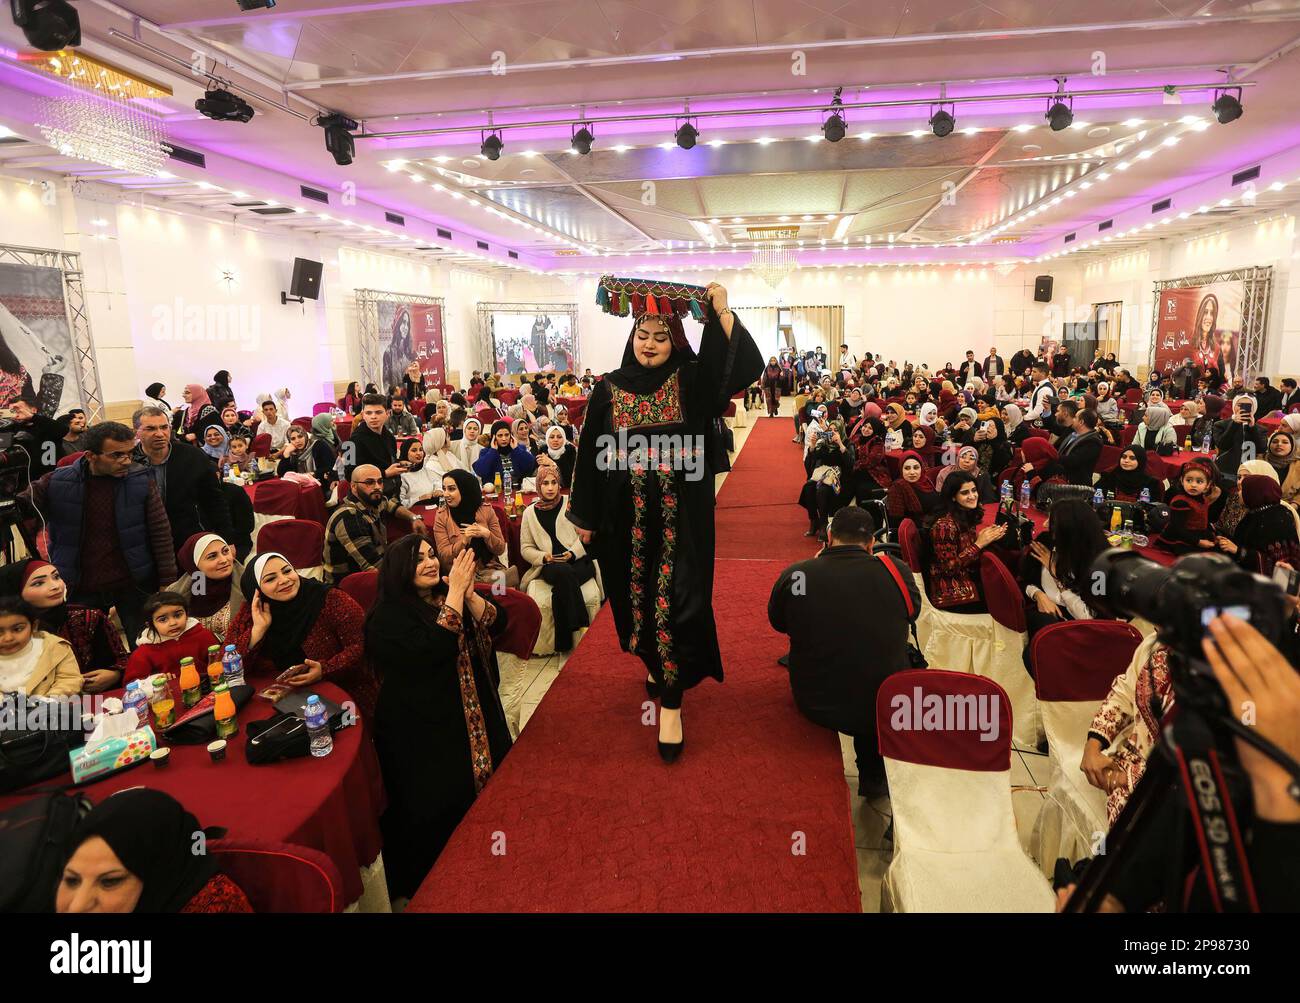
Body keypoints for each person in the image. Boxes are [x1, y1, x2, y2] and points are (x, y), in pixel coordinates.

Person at [567, 283, 763, 761]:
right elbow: (592, 454)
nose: (650, 343)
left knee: (676, 603)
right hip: (624, 524)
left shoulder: (692, 381)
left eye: (659, 334)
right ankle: (655, 664)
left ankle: (672, 706)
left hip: (682, 522)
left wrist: (720, 310)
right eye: (642, 334)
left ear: (675, 339)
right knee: (635, 602)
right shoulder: (608, 388)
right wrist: (586, 515)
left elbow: (742, 367)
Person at [365, 535, 510, 900]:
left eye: (431, 555)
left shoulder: (446, 594)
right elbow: (432, 650)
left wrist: (468, 593)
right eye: (418, 560)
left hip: (472, 707)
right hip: (422, 729)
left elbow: (498, 621)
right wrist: (458, 594)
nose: (430, 563)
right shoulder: (387, 616)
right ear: (400, 571)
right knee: (442, 806)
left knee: (489, 789)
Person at [768, 507, 919, 798]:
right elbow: (912, 612)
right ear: (871, 543)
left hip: (815, 695)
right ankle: (873, 777)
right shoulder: (895, 570)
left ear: (828, 536)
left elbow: (779, 622)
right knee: (871, 679)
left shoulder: (799, 574)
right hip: (884, 699)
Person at [22, 422, 178, 647]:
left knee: (148, 647)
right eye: (116, 455)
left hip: (134, 584)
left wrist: (167, 582)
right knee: (92, 654)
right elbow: (21, 508)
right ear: (91, 456)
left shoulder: (141, 479)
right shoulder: (56, 481)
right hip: (81, 587)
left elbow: (161, 532)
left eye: (129, 453)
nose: (126, 460)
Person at [55, 788, 251, 913]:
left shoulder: (216, 906)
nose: (76, 906)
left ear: (159, 875)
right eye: (72, 880)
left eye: (110, 881)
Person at [227, 551, 373, 717]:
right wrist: (257, 631)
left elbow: (364, 646)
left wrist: (325, 669)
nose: (284, 580)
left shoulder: (329, 599)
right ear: (256, 589)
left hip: (344, 696)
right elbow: (228, 668)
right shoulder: (253, 612)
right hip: (279, 702)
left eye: (287, 571)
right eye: (270, 579)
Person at [0, 559, 126, 692]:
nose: (55, 586)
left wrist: (115, 675)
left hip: (99, 703)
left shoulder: (88, 616)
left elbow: (123, 660)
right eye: (38, 583)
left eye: (56, 577)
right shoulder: (9, 632)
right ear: (15, 592)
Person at [1021, 500, 1112, 671]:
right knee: (1040, 627)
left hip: (1080, 624)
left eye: (1052, 522)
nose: (1045, 524)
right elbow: (1024, 580)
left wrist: (1058, 577)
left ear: (1069, 529)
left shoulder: (1100, 567)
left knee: (1044, 645)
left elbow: (1092, 621)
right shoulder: (1046, 542)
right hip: (1045, 610)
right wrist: (1038, 595)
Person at [520, 466, 601, 653]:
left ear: (559, 484)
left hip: (579, 560)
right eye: (545, 483)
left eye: (554, 483)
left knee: (563, 586)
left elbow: (585, 536)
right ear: (538, 487)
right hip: (552, 564)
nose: (550, 488)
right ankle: (583, 626)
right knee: (563, 572)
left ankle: (564, 644)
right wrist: (544, 557)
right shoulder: (529, 513)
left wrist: (572, 553)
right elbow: (525, 548)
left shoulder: (571, 504)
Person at [132, 407, 233, 553]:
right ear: (137, 432)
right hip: (146, 543)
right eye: (151, 428)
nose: (160, 434)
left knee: (198, 577)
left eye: (164, 427)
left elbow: (214, 500)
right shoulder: (129, 462)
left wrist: (227, 539)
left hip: (190, 539)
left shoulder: (192, 456)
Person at [324, 464, 429, 585]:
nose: (377, 487)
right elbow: (372, 566)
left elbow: (390, 503)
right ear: (353, 486)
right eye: (369, 482)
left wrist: (413, 518)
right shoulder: (349, 517)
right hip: (346, 585)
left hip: (374, 568)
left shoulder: (372, 499)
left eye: (380, 481)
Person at [922, 470, 1006, 612]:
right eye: (965, 493)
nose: (972, 496)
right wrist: (979, 544)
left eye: (974, 490)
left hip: (967, 573)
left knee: (1003, 579)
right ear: (953, 497)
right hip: (949, 589)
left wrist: (986, 537)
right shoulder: (945, 526)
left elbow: (965, 547)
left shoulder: (963, 513)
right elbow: (948, 568)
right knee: (1003, 598)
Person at [432, 469, 515, 587]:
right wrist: (464, 541)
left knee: (504, 598)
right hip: (460, 575)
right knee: (474, 599)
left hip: (489, 569)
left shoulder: (486, 510)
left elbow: (500, 549)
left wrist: (487, 535)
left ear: (465, 489)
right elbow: (444, 557)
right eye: (444, 489)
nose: (445, 494)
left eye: (451, 489)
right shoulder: (442, 516)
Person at [123, 591, 220, 686]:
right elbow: (131, 685)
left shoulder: (203, 635)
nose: (173, 623)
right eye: (163, 619)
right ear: (150, 625)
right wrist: (154, 680)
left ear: (186, 615)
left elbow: (221, 662)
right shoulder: (144, 651)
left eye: (178, 615)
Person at [1215, 474, 1300, 576]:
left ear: (1254, 493)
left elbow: (1276, 564)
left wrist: (1238, 551)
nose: (1238, 493)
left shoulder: (1275, 520)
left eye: (1242, 490)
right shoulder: (1256, 513)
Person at [167, 532, 245, 642]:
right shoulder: (176, 593)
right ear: (194, 564)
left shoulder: (250, 585)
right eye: (212, 556)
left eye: (225, 551)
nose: (224, 560)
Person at [0, 595, 82, 696]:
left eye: (18, 629)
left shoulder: (54, 647)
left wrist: (48, 701)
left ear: (34, 626)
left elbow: (69, 679)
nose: (8, 638)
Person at [799, 417, 850, 540]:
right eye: (830, 430)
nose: (832, 432)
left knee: (822, 490)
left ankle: (823, 523)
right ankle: (814, 520)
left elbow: (850, 464)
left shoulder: (847, 443)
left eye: (835, 430)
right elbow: (809, 463)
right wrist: (812, 446)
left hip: (839, 478)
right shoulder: (823, 444)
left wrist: (840, 444)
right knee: (808, 487)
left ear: (841, 431)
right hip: (822, 475)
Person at [1161, 458, 1225, 551]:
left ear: (1208, 484)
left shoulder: (1202, 499)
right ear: (1182, 481)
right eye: (1189, 480)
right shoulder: (1181, 502)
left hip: (1196, 534)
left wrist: (1213, 535)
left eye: (1199, 481)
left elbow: (1203, 521)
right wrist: (1198, 541)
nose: (1193, 485)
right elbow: (1177, 528)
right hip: (1180, 538)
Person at [346, 393, 406, 494]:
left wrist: (400, 463)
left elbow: (388, 462)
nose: (373, 417)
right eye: (369, 413)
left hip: (393, 491)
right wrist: (384, 473)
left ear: (387, 414)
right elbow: (349, 475)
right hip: (368, 496)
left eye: (378, 412)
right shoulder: (350, 442)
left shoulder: (389, 436)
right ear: (363, 415)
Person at [276, 423, 338, 497]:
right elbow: (282, 474)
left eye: (300, 436)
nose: (297, 441)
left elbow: (330, 467)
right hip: (301, 488)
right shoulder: (293, 452)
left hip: (322, 486)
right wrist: (286, 454)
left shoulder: (319, 445)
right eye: (293, 439)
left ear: (305, 436)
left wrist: (312, 474)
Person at [885, 450, 939, 532]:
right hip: (916, 532)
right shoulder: (897, 488)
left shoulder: (926, 481)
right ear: (901, 469)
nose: (912, 472)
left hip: (934, 525)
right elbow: (896, 522)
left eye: (916, 467)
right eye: (907, 468)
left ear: (921, 468)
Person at [472, 419, 536, 487]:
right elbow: (481, 471)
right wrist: (493, 452)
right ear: (494, 437)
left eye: (506, 435)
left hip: (518, 489)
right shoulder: (486, 452)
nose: (504, 439)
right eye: (500, 435)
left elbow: (531, 466)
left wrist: (516, 449)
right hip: (496, 491)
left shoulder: (519, 449)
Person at [1094, 444, 1162, 502]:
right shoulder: (1109, 476)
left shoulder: (1151, 483)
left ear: (1140, 461)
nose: (1126, 461)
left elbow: (1155, 507)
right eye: (1124, 457)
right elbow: (1095, 497)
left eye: (1132, 458)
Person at [1055, 408, 1105, 485]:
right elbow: (1056, 447)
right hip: (1059, 476)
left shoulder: (1093, 442)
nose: (1072, 419)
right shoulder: (1072, 433)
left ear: (1081, 422)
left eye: (1075, 417)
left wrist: (1052, 456)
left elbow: (1073, 461)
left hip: (1075, 485)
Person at [534, 424, 576, 488]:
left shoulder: (570, 451)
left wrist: (552, 463)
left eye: (559, 437)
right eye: (552, 437)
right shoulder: (543, 451)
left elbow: (569, 479)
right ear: (547, 439)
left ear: (564, 438)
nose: (555, 440)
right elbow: (535, 475)